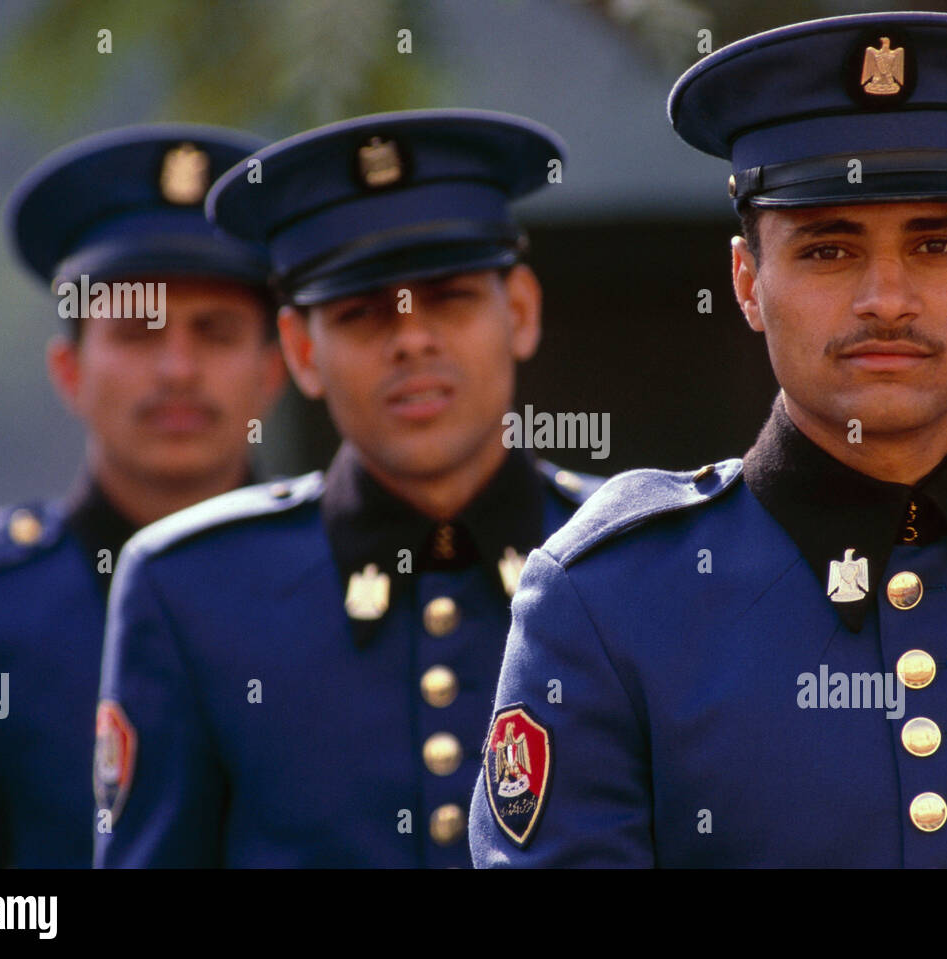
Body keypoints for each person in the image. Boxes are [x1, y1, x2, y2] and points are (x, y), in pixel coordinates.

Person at [469, 11, 947, 867]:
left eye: (936, 244)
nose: (886, 298)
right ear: (748, 282)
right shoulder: (608, 602)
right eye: (827, 249)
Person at [94, 109, 602, 868]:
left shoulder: (627, 557)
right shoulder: (190, 589)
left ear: (520, 312)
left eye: (449, 296)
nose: (411, 338)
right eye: (361, 313)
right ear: (301, 350)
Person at [0, 124, 286, 867]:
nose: (178, 369)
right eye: (139, 333)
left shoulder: (347, 583)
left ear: (277, 368)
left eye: (214, 331)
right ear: (68, 369)